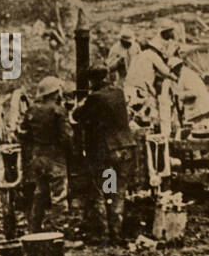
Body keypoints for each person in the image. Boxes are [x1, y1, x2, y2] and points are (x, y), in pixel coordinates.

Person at [75, 66, 136, 245]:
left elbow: (79, 116)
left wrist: (81, 103)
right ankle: (117, 232)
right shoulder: (119, 92)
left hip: (108, 152)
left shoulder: (94, 98)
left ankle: (104, 235)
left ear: (91, 81)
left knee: (103, 191)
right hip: (125, 148)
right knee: (118, 192)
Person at [22, 76, 73, 233]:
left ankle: (34, 227)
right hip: (54, 156)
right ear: (56, 92)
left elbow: (24, 134)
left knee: (40, 192)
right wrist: (71, 152)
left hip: (37, 156)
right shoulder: (58, 111)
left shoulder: (32, 110)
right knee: (59, 195)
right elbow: (67, 137)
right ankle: (58, 230)